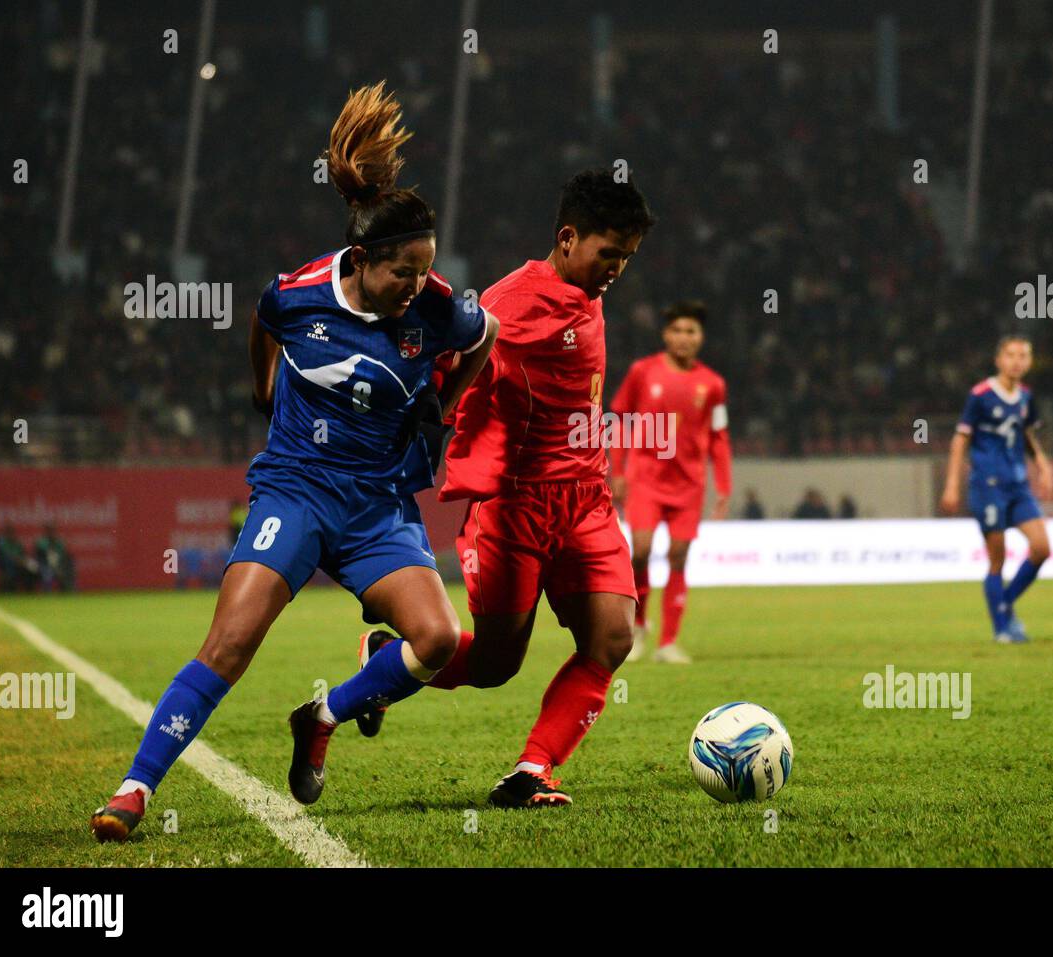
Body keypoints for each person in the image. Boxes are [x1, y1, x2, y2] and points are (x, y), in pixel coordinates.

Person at [89, 82, 498, 842]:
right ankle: (135, 789)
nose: (416, 288)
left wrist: (442, 402)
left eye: (426, 271)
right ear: (364, 258)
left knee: (439, 639)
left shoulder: (436, 307)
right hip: (296, 491)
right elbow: (262, 321)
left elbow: (484, 335)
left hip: (378, 503)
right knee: (231, 642)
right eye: (402, 273)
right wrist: (263, 386)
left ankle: (323, 714)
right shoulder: (300, 295)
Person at [366, 168, 654, 808]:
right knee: (496, 665)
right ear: (568, 238)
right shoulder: (515, 302)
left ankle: (531, 771)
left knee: (611, 639)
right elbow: (443, 345)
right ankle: (387, 656)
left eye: (628, 259)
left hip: (584, 498)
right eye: (609, 255)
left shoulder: (587, 288)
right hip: (515, 506)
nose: (617, 270)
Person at [609, 299, 731, 664]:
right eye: (676, 330)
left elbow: (719, 436)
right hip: (645, 477)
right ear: (665, 334)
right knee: (641, 551)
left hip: (688, 484)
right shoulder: (642, 372)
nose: (683, 338)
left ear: (701, 337)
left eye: (690, 331)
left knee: (678, 557)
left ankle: (669, 642)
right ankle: (637, 627)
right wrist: (616, 470)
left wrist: (723, 486)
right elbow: (620, 420)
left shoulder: (712, 384)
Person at [939, 334, 1053, 643]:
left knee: (1042, 548)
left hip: (1018, 485)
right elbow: (960, 439)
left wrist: (1041, 463)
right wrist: (952, 484)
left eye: (1023, 356)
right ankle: (1002, 627)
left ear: (1029, 362)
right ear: (998, 360)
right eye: (1011, 355)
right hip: (988, 486)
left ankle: (1004, 604)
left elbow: (1027, 435)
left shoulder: (1026, 398)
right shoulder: (980, 396)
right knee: (997, 559)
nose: (1017, 361)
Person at [0, 524, 38, 592]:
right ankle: (9, 588)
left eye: (12, 532)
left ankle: (29, 590)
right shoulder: (2, 543)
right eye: (9, 532)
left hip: (21, 565)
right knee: (22, 570)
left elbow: (23, 554)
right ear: (5, 533)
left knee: (32, 570)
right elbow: (6, 556)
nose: (11, 534)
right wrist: (19, 561)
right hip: (8, 566)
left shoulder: (16, 543)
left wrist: (25, 561)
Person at [35, 524, 75, 592]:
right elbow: (41, 554)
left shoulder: (59, 542)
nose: (51, 532)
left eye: (52, 530)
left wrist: (59, 566)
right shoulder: (41, 542)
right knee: (47, 573)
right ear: (46, 531)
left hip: (59, 565)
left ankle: (67, 591)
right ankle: (47, 592)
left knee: (68, 568)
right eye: (49, 530)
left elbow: (64, 554)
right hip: (45, 565)